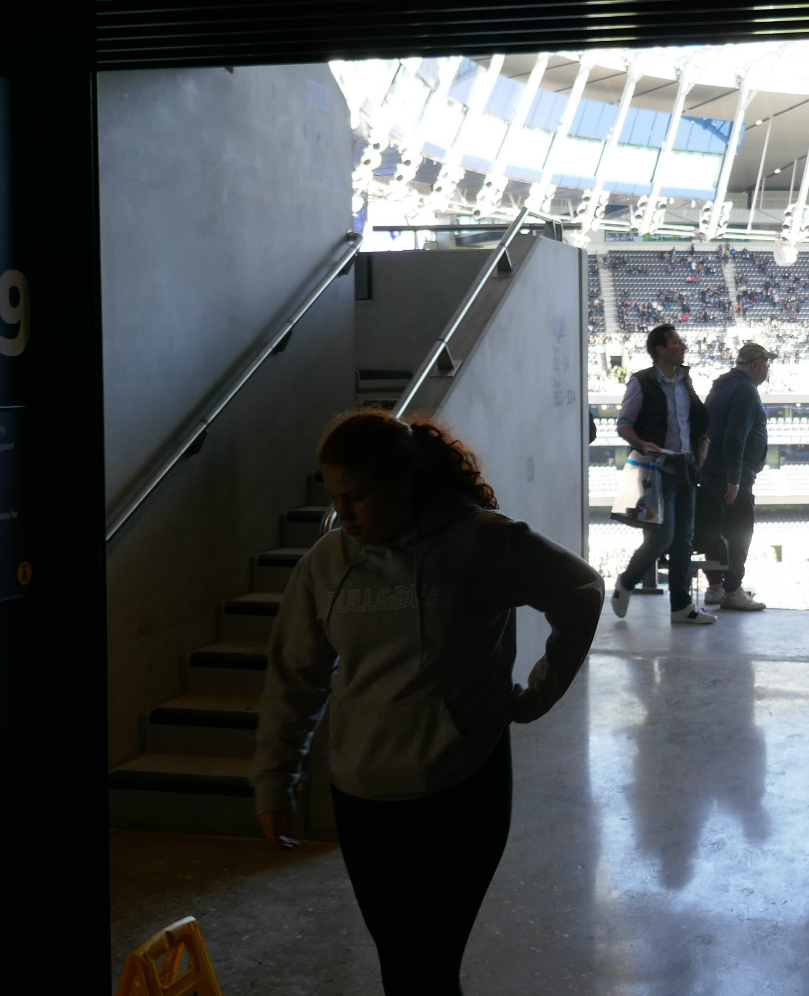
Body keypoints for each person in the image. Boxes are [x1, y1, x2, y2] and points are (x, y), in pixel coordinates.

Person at [252, 410, 605, 995]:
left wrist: (542, 692)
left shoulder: (484, 542)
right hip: (362, 795)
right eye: (336, 498)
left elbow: (581, 590)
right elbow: (293, 677)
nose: (343, 515)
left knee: (428, 963)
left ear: (405, 481)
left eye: (358, 497)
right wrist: (274, 779)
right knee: (402, 963)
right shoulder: (325, 563)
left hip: (462, 788)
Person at [611, 323, 718, 625]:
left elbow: (696, 420)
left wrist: (704, 442)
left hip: (685, 467)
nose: (682, 345)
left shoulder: (685, 380)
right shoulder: (641, 381)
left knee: (684, 540)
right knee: (662, 538)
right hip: (656, 472)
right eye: (676, 341)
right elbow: (624, 424)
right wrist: (642, 443)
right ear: (660, 348)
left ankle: (681, 608)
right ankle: (626, 583)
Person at [697, 341, 776, 611]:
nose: (768, 369)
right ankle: (733, 591)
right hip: (733, 477)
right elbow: (735, 435)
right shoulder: (745, 390)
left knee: (716, 530)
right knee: (740, 532)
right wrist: (735, 477)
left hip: (712, 473)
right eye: (767, 364)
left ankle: (716, 588)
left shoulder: (722, 386)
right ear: (756, 365)